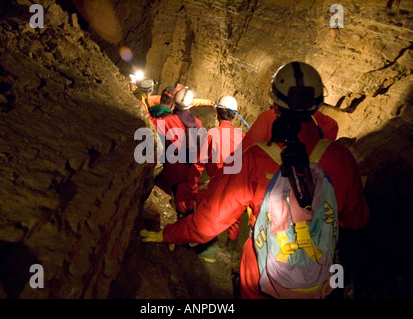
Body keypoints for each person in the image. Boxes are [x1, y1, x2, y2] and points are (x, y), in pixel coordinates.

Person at [141, 61, 370, 299]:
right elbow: (357, 220)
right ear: (316, 108)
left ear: (275, 106)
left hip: (262, 282)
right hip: (320, 284)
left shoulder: (257, 157)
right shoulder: (341, 159)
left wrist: (169, 233)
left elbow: (209, 221)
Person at [174, 96, 246, 262]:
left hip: (214, 188)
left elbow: (199, 164)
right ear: (234, 116)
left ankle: (201, 240)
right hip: (234, 189)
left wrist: (192, 185)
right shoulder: (243, 137)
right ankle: (229, 249)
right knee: (235, 210)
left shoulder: (213, 134)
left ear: (216, 113)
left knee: (184, 191)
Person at [154, 88, 203, 197]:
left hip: (172, 168)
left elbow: (149, 121)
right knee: (182, 198)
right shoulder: (198, 123)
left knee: (163, 194)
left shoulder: (170, 121)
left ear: (174, 103)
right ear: (191, 105)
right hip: (189, 169)